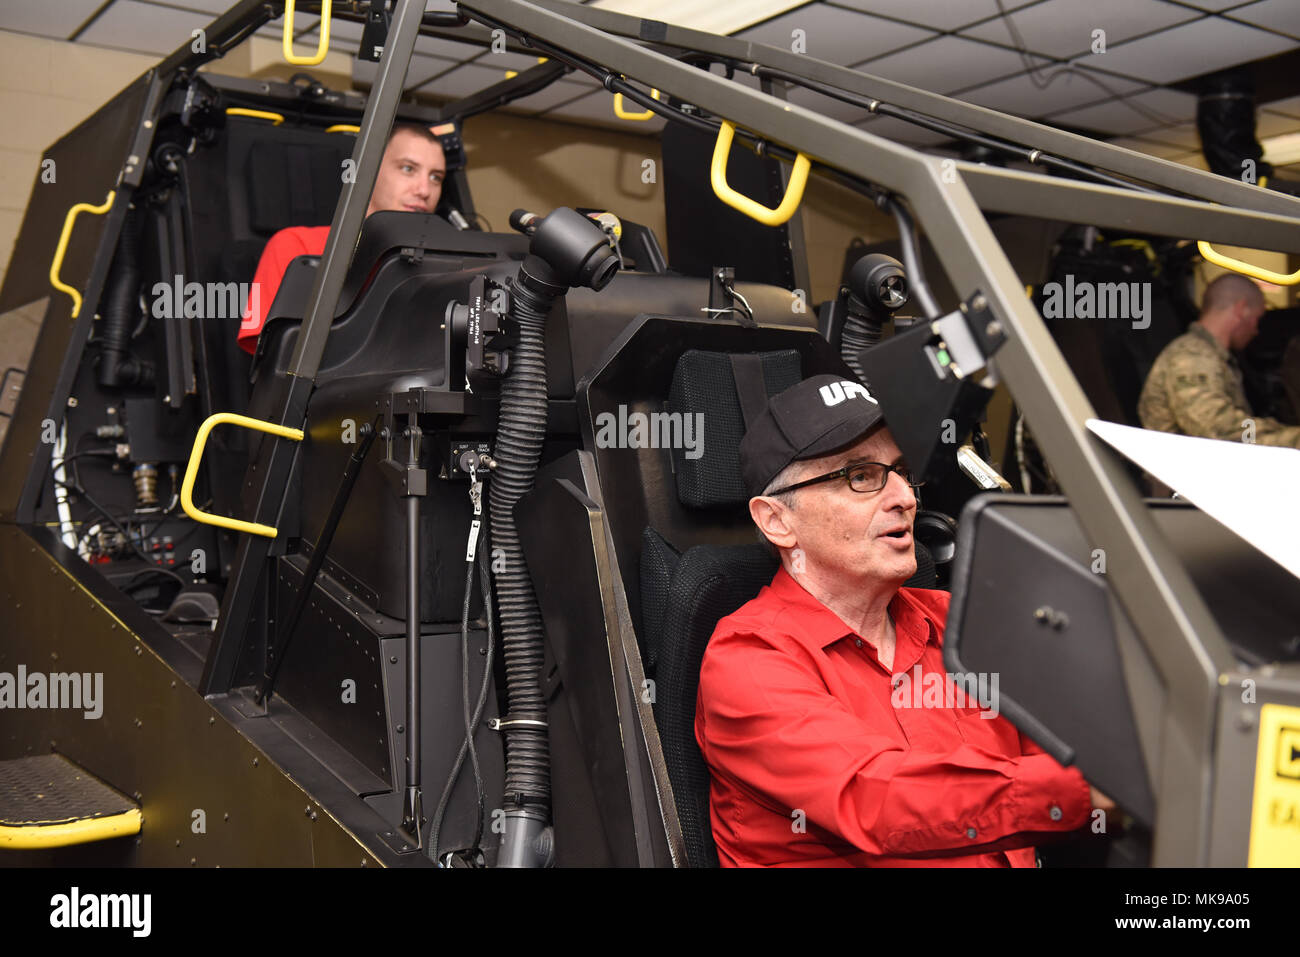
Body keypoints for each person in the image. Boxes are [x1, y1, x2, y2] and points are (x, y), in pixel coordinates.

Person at [694, 374, 1114, 867]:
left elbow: (1080, 730)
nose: (905, 498)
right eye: (860, 476)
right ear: (776, 521)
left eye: (900, 471)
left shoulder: (962, 622)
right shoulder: (747, 661)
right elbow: (877, 800)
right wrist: (1089, 789)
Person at [236, 122, 447, 353]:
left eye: (435, 177)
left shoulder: (442, 266)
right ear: (369, 170)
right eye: (408, 169)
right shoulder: (297, 245)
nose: (424, 190)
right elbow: (276, 356)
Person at [1137, 272, 1300, 447]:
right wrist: (1292, 439)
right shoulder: (1191, 357)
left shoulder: (1213, 357)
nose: (1255, 330)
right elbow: (1221, 432)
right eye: (1256, 319)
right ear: (1241, 309)